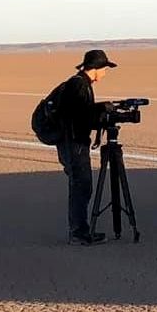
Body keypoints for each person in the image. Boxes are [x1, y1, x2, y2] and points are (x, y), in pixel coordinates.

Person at [48, 48, 115, 245]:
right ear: (96, 68)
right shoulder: (77, 86)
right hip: (73, 144)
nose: (105, 73)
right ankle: (78, 233)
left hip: (74, 142)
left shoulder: (81, 84)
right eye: (105, 69)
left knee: (81, 186)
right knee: (81, 186)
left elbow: (80, 112)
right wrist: (99, 114)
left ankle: (79, 231)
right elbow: (78, 117)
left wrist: (100, 108)